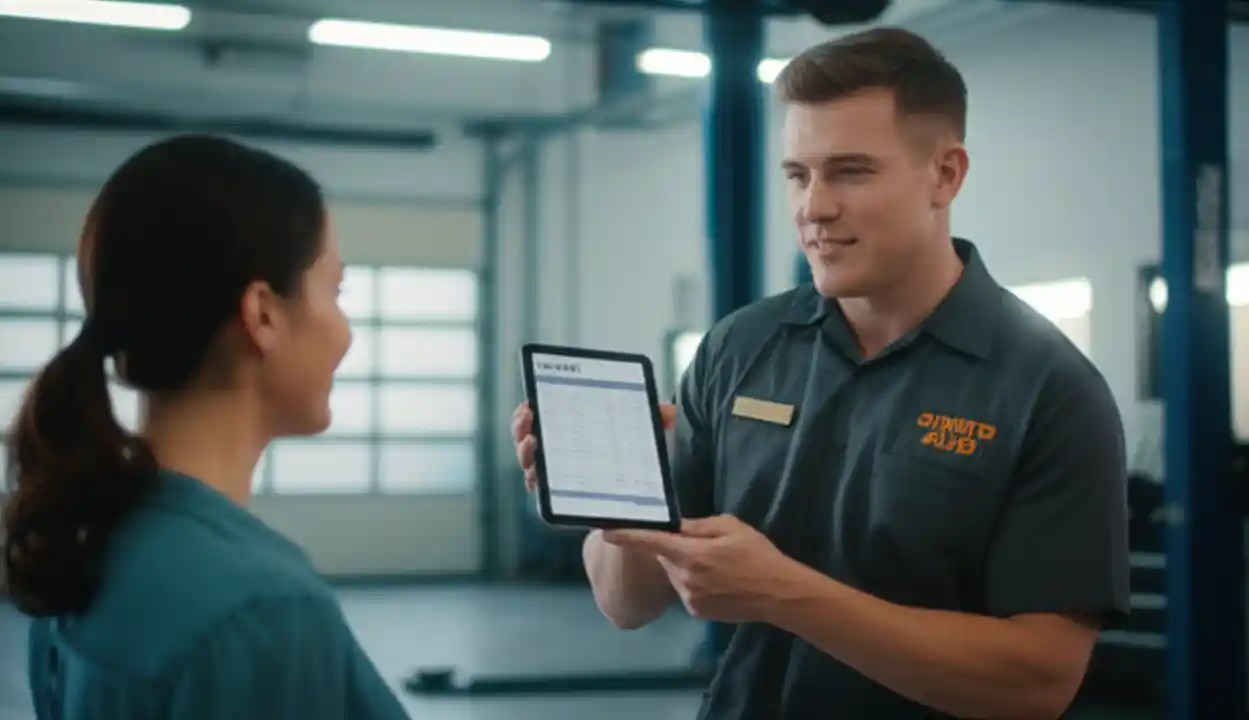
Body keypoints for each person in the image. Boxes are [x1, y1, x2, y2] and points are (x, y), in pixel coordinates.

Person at [512, 27, 1129, 719]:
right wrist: (622, 500)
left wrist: (786, 593)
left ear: (946, 174)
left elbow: (1038, 682)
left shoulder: (1048, 390)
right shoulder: (738, 349)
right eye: (798, 175)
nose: (814, 208)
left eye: (851, 171)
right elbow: (627, 604)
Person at [2, 135, 410, 719]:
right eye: (335, 290)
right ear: (263, 314)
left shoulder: (83, 549)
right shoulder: (258, 607)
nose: (345, 330)